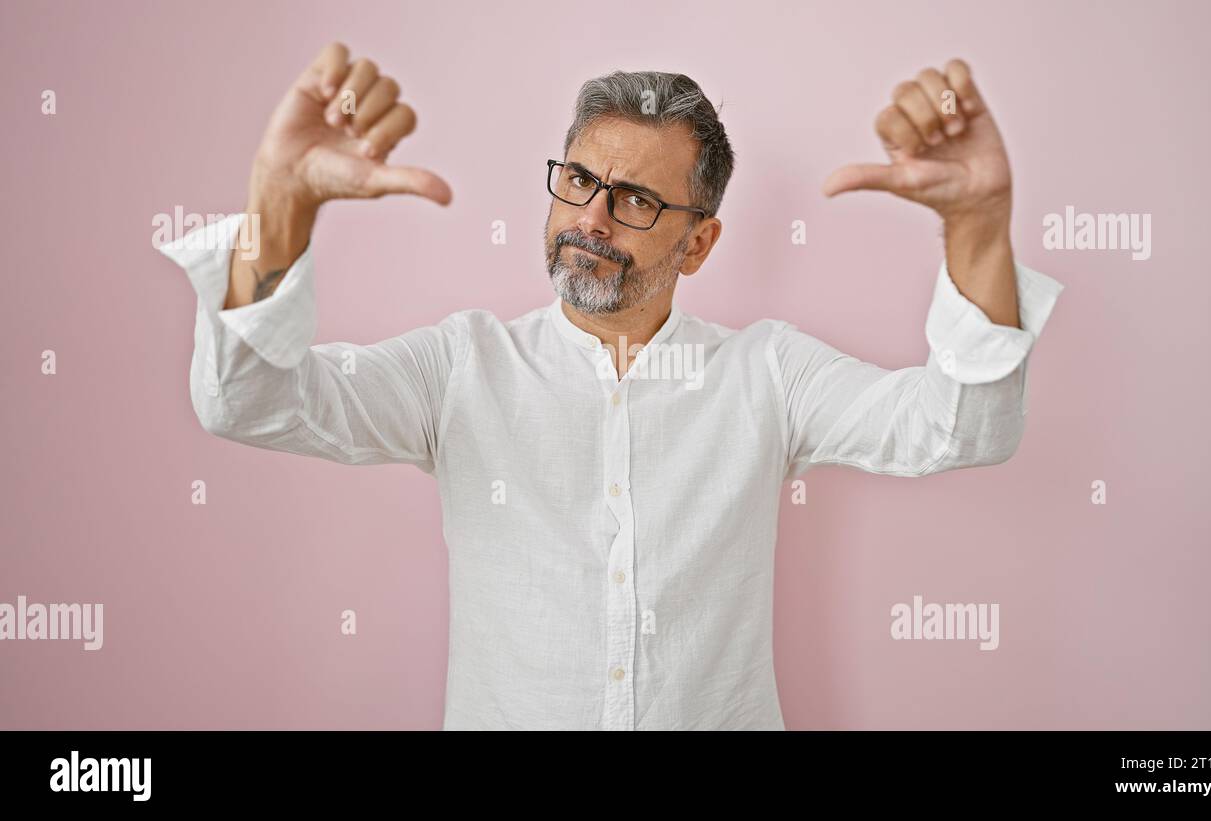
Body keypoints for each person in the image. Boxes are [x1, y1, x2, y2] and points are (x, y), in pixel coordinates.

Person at [159, 43, 1064, 730]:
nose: (591, 217)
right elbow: (248, 401)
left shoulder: (770, 372)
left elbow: (963, 427)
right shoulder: (461, 367)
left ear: (699, 242)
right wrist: (275, 213)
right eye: (581, 180)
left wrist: (979, 232)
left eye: (636, 200)